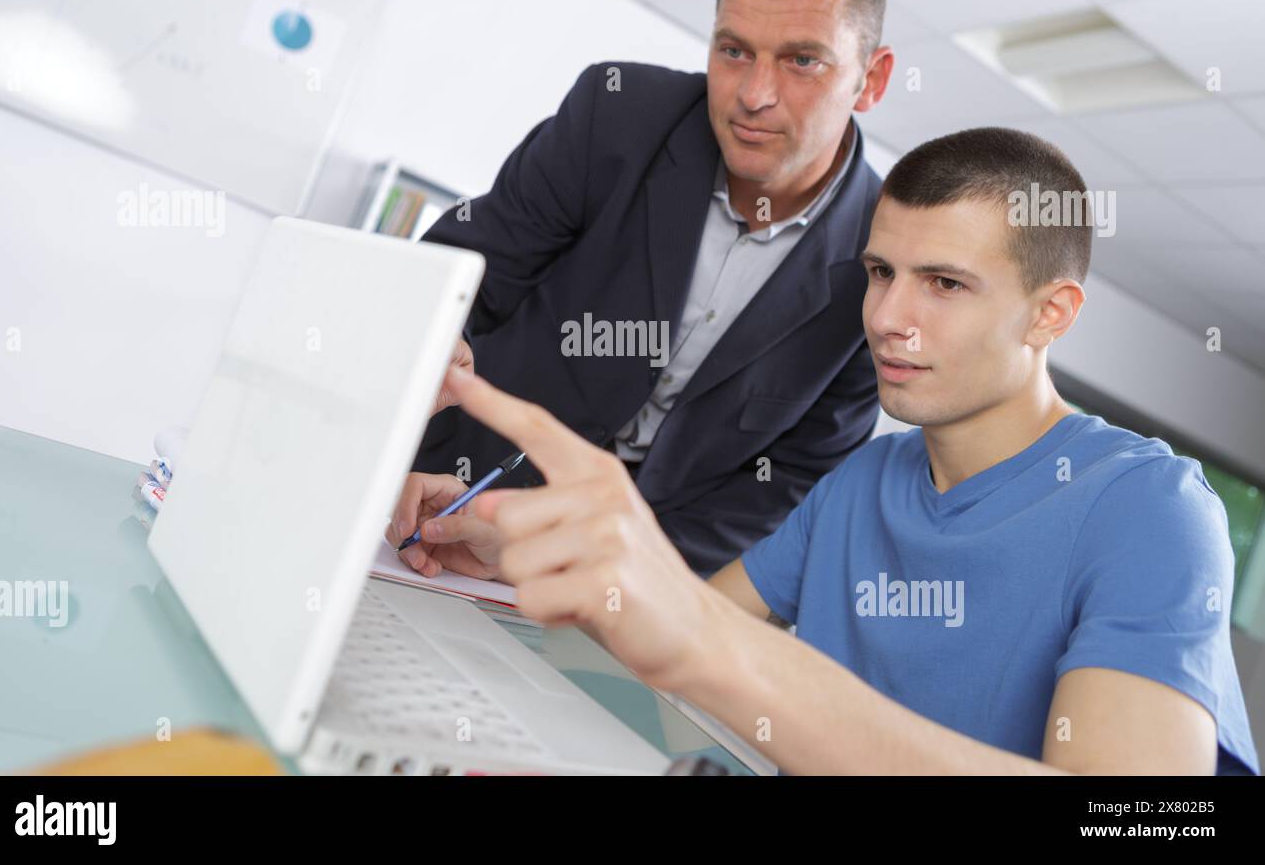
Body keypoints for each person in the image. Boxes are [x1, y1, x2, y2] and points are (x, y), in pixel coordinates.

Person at [390, 127, 1260, 775]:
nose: (886, 317)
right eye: (881, 273)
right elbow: (676, 622)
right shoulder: (866, 479)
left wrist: (708, 647)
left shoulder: (1150, 508)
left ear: (1050, 313)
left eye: (945, 284)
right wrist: (520, 542)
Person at [413, 0, 894, 573]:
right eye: (733, 50)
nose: (754, 95)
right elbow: (460, 275)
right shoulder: (616, 115)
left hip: (630, 576)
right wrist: (432, 358)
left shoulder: (891, 255)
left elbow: (792, 479)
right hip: (445, 497)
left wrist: (625, 569)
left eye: (801, 61)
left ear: (871, 79)